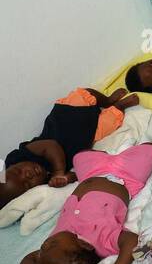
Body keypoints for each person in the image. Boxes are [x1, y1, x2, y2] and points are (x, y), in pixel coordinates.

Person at [19, 143, 152, 264]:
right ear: (84, 245)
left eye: (42, 251)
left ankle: (75, 172)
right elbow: (132, 241)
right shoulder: (102, 240)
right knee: (151, 149)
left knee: (80, 155)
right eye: (51, 245)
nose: (44, 245)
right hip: (126, 176)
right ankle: (121, 154)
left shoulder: (53, 250)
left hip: (91, 174)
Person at [1, 88, 137, 206]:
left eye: (18, 171)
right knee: (107, 124)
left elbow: (50, 146)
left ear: (10, 167)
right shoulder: (45, 184)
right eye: (27, 185)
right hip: (82, 138)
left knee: (82, 95)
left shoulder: (17, 157)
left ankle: (106, 101)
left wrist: (58, 171)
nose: (28, 174)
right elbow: (75, 174)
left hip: (63, 121)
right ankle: (120, 106)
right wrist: (64, 179)